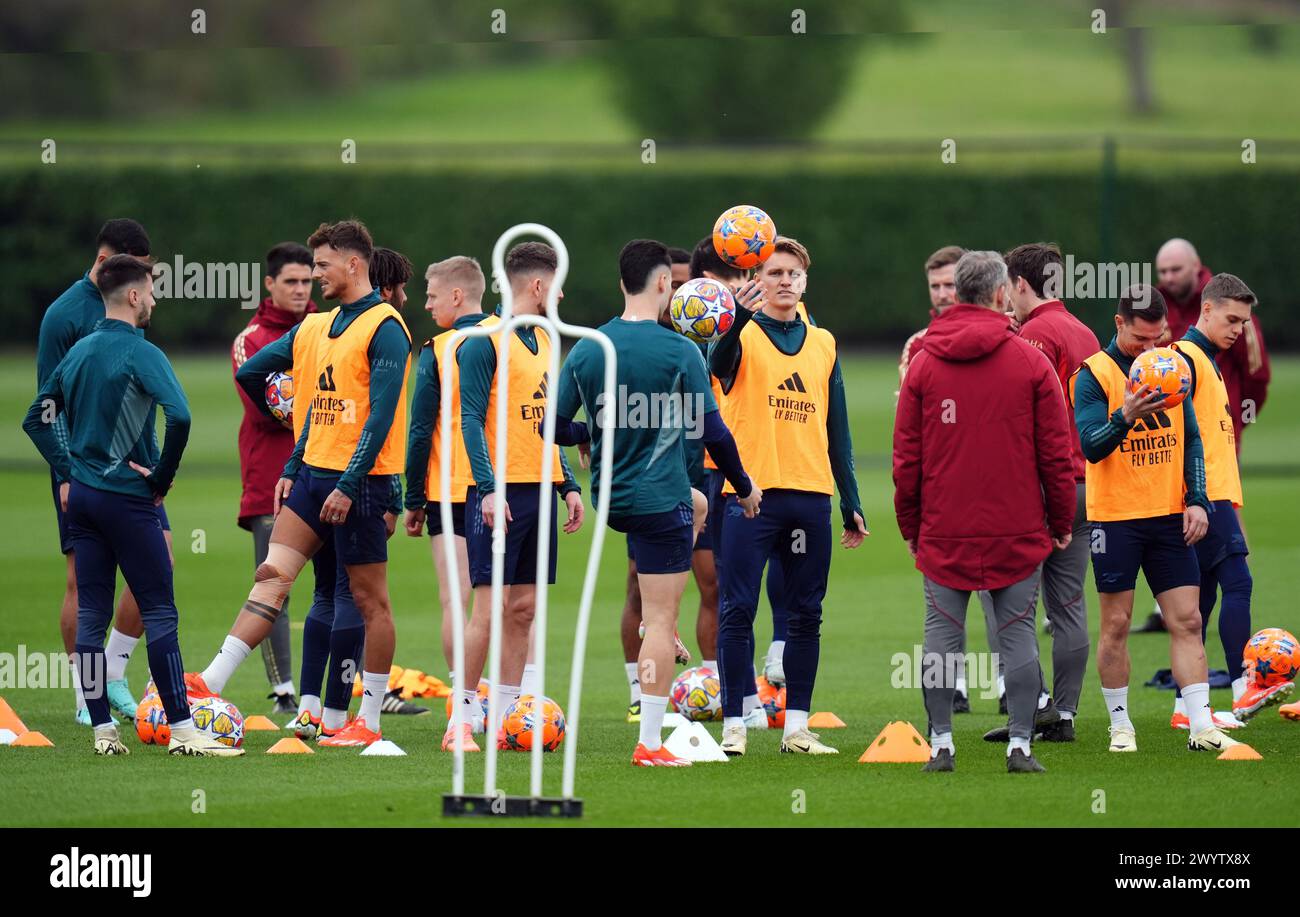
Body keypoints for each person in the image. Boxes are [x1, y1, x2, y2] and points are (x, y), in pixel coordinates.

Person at [192, 219, 412, 749]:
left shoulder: (385, 326)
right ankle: (210, 682)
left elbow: (381, 416)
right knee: (272, 576)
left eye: (321, 265)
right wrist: (293, 467)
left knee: (366, 599)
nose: (314, 276)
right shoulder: (316, 327)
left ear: (354, 264)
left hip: (359, 483)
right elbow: (265, 381)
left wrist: (349, 482)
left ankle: (368, 720)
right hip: (312, 476)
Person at [552, 238, 760, 766]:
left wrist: (597, 429)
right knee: (665, 617)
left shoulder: (591, 345)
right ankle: (649, 741)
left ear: (622, 284)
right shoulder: (681, 350)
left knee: (700, 504)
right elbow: (714, 432)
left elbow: (552, 426)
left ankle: (653, 628)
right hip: (659, 502)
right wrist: (744, 484)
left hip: (611, 498)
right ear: (666, 283)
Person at [24, 255, 240, 756]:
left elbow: (37, 417)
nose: (157, 301)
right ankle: (185, 733)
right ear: (135, 296)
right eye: (152, 291)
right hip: (128, 498)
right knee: (161, 611)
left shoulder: (78, 351)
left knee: (93, 613)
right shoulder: (143, 353)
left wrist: (69, 466)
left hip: (83, 501)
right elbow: (180, 416)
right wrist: (162, 476)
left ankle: (102, 730)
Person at [894, 251, 1075, 774]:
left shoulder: (925, 362)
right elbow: (1056, 457)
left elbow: (907, 458)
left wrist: (911, 525)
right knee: (1017, 633)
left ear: (958, 292)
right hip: (1016, 527)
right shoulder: (1030, 361)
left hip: (944, 526)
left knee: (941, 635)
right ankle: (1020, 745)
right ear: (1001, 294)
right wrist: (1061, 522)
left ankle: (942, 744)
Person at [710, 236, 867, 757]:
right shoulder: (739, 334)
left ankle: (796, 726)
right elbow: (720, 360)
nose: (783, 281)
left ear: (804, 281)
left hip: (810, 497)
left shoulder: (824, 343)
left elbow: (837, 428)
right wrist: (736, 316)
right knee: (738, 609)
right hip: (750, 497)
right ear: (759, 280)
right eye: (774, 273)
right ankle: (734, 724)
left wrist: (852, 499)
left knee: (806, 613)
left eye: (792, 274)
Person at [1069, 284, 1243, 754]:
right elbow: (1090, 446)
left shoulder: (1170, 367)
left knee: (1186, 620)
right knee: (1118, 625)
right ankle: (1121, 724)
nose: (1150, 351)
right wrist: (1124, 415)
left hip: (1170, 517)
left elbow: (1190, 439)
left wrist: (1198, 499)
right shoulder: (1092, 376)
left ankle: (1201, 725)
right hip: (1116, 519)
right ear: (1119, 323)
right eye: (1140, 341)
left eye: (1158, 339)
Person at [445, 241, 584, 752]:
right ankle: (460, 718)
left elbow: (544, 422)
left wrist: (567, 483)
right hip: (494, 496)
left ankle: (506, 719)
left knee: (523, 608)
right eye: (560, 283)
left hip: (540, 494)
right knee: (488, 608)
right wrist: (486, 488)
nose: (563, 293)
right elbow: (470, 425)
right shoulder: (484, 342)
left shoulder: (546, 340)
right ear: (539, 285)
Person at [36, 218, 157, 726]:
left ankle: (110, 674)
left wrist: (153, 463)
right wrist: (66, 472)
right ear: (111, 263)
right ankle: (88, 698)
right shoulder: (63, 316)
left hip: (136, 467)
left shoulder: (130, 303)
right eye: (143, 272)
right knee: (82, 580)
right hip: (81, 467)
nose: (149, 285)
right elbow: (47, 409)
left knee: (157, 565)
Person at [1172, 274, 1291, 721]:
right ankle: (1246, 686)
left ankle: (1184, 705)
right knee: (1238, 583)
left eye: (1243, 322)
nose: (1239, 329)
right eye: (1232, 318)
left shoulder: (1208, 360)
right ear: (1206, 309)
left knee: (1199, 603)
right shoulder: (1186, 359)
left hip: (1213, 497)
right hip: (1206, 496)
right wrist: (1196, 496)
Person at [997, 242, 1102, 741]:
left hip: (1043, 486)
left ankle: (1030, 709)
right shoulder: (1084, 331)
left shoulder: (1035, 333)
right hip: (1088, 484)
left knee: (1012, 604)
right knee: (1069, 606)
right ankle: (1064, 716)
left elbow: (1026, 415)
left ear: (1021, 283)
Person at [405, 256, 498, 740]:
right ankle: (505, 697)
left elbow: (420, 429)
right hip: (506, 486)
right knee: (504, 599)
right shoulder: (511, 333)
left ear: (457, 296)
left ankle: (467, 701)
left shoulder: (440, 348)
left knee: (455, 598)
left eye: (432, 294)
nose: (426, 303)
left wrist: (413, 497)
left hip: (449, 487)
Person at [232, 241, 316, 716]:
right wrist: (323, 413)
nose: (302, 290)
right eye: (291, 281)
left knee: (346, 582)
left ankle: (361, 688)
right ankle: (283, 690)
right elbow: (263, 411)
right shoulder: (253, 340)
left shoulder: (328, 329)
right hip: (271, 480)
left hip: (325, 475)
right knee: (274, 584)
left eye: (307, 280)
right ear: (270, 284)